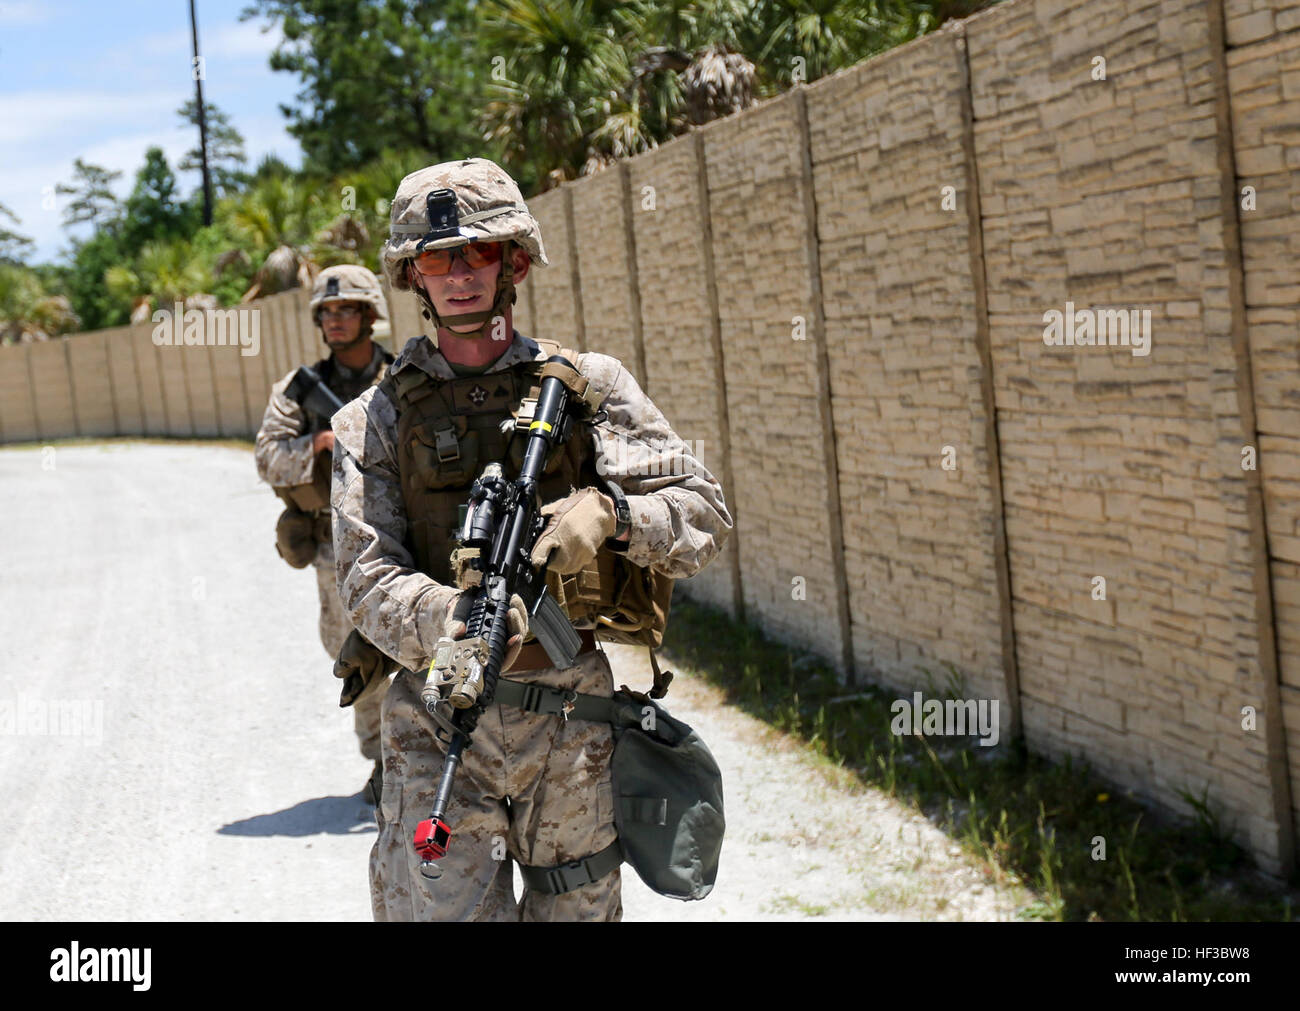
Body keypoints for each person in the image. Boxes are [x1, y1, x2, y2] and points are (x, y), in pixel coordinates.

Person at [330, 158, 732, 921]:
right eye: (436, 257)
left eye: (477, 252)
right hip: (439, 716)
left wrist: (613, 515)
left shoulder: (589, 388)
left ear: (514, 259)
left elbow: (704, 514)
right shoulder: (372, 419)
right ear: (413, 275)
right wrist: (454, 618)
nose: (458, 274)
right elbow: (366, 574)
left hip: (572, 725)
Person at [254, 264, 395, 803]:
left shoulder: (405, 374)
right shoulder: (298, 390)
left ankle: (427, 759)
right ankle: (382, 760)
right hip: (334, 543)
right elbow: (267, 458)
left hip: (400, 533)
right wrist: (313, 447)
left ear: (369, 316)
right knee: (352, 648)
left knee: (418, 643)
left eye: (347, 310)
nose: (335, 320)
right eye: (327, 312)